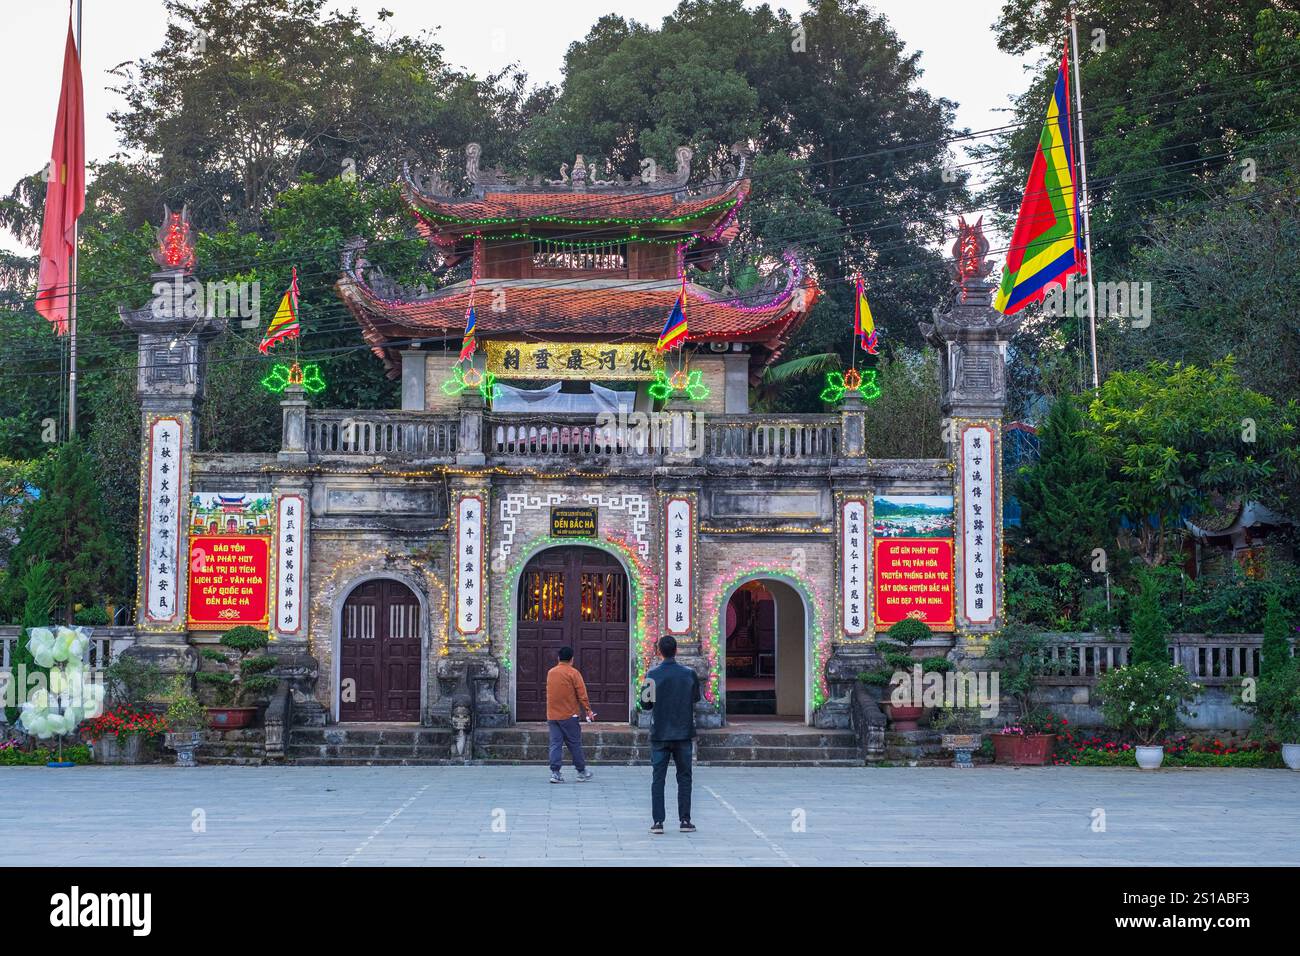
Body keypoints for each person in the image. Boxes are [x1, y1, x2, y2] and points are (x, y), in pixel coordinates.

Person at [640, 635, 701, 833]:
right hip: (683, 732)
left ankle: (658, 821)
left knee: (658, 778)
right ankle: (685, 820)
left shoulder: (652, 674)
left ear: (659, 651)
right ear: (676, 650)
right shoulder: (689, 674)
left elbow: (645, 704)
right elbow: (695, 698)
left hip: (660, 733)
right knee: (684, 777)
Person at [545, 646, 595, 783]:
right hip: (569, 715)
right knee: (574, 744)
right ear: (572, 659)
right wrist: (588, 710)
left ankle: (555, 773)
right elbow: (582, 694)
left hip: (552, 715)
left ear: (558, 658)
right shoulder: (573, 673)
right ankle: (581, 771)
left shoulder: (551, 672)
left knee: (555, 744)